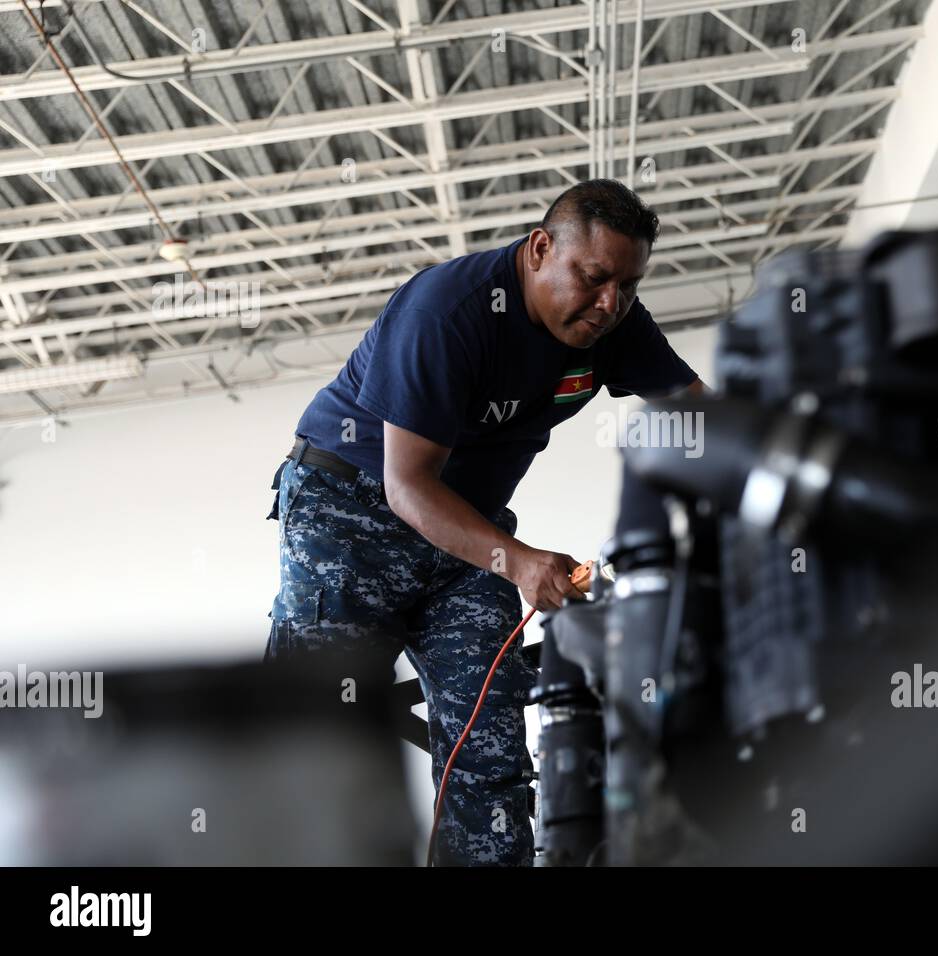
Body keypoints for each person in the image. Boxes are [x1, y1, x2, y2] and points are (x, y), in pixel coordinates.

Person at [263, 178, 706, 865]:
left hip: (469, 538)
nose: (609, 303)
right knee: (315, 735)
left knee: (490, 747)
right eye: (592, 278)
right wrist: (521, 562)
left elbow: (703, 420)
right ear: (539, 250)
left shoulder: (614, 320)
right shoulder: (450, 310)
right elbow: (407, 486)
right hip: (350, 517)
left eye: (627, 284)